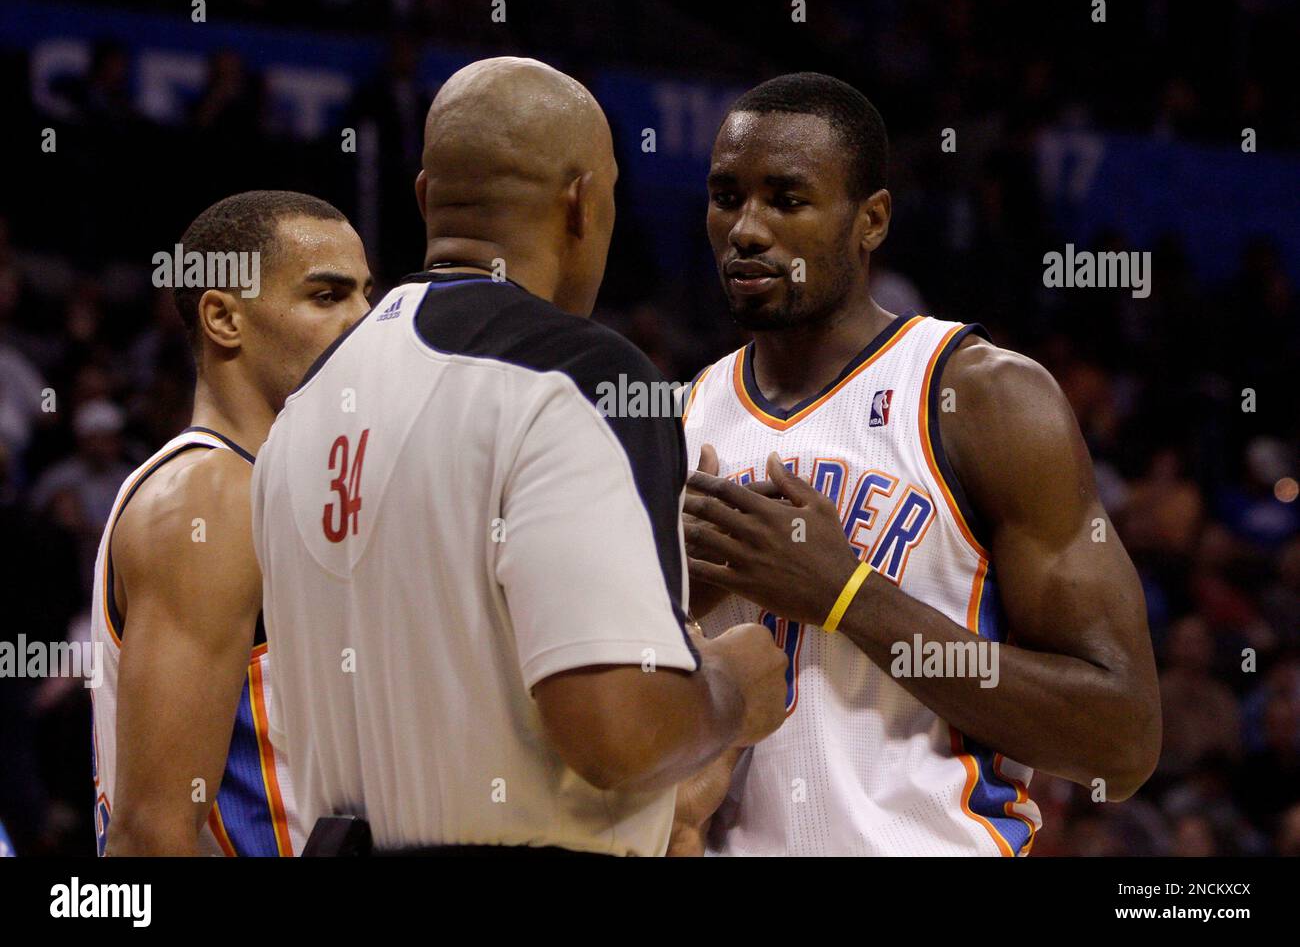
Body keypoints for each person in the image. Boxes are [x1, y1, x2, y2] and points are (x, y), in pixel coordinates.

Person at [251, 57, 788, 856]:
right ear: (583, 204)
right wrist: (726, 693)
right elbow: (617, 734)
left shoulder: (301, 410)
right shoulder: (580, 376)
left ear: (427, 197)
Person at [674, 73, 1161, 856]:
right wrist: (673, 607)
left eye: (787, 199)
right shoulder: (688, 415)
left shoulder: (984, 395)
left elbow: (1122, 739)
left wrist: (847, 596)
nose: (747, 229)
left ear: (872, 220)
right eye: (727, 195)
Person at [92, 190, 372, 855]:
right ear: (223, 318)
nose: (366, 319)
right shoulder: (209, 498)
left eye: (368, 293)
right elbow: (153, 833)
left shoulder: (279, 493)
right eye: (328, 297)